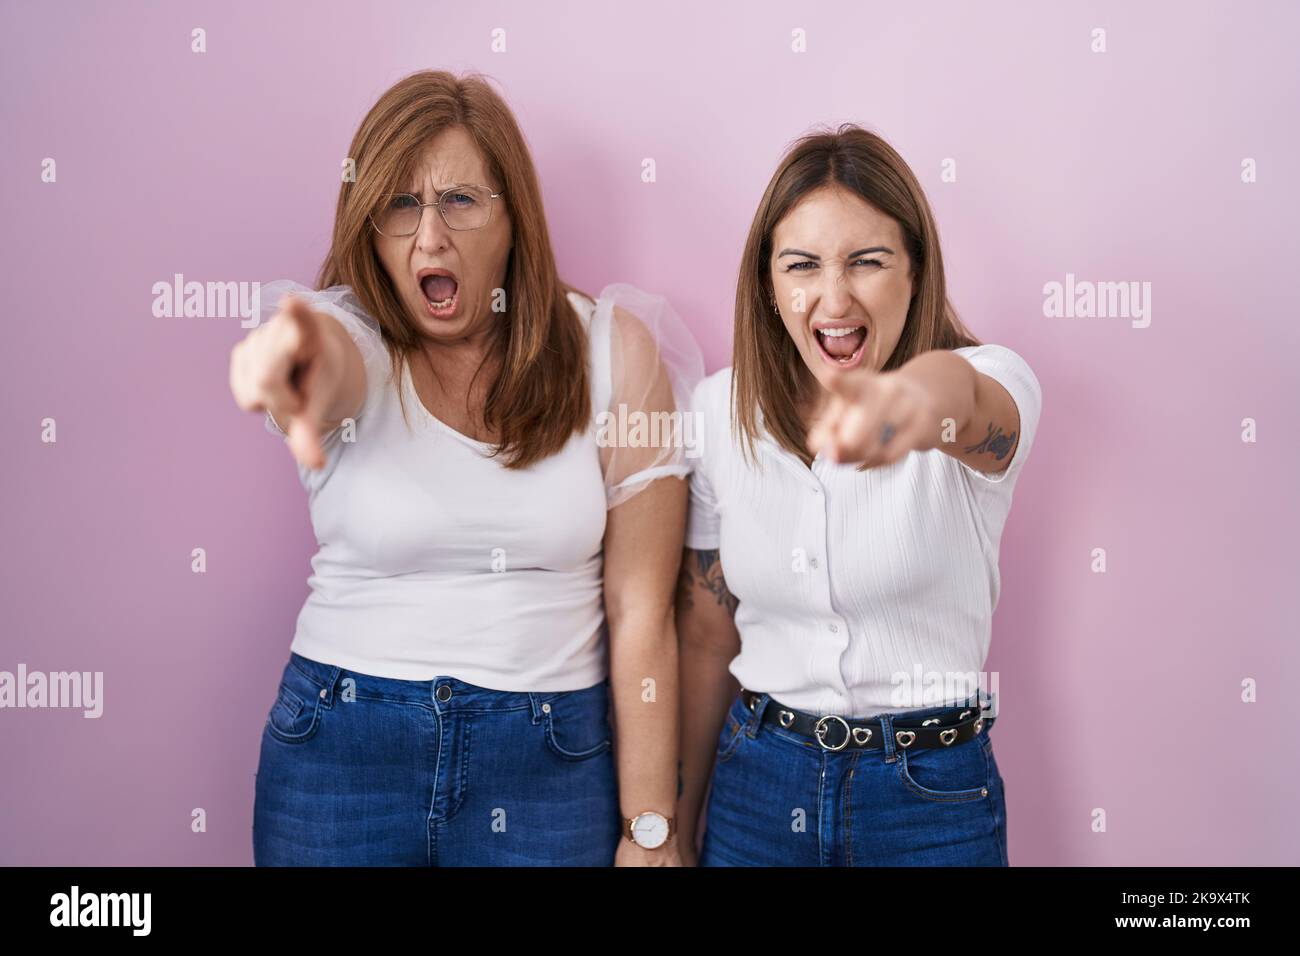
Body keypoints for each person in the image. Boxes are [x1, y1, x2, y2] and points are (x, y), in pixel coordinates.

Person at [229, 70, 701, 866]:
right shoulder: (353, 340)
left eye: (460, 201)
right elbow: (322, 360)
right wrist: (287, 359)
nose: (430, 239)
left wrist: (650, 830)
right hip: (341, 748)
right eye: (401, 206)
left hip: (547, 763)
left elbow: (642, 610)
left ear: (514, 216)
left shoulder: (611, 351)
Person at [675, 124, 1042, 866]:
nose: (832, 297)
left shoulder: (993, 378)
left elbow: (966, 401)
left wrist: (906, 401)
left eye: (868, 262)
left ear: (914, 269)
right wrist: (674, 826)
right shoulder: (716, 414)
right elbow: (708, 636)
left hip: (930, 798)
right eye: (802, 264)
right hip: (759, 786)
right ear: (769, 285)